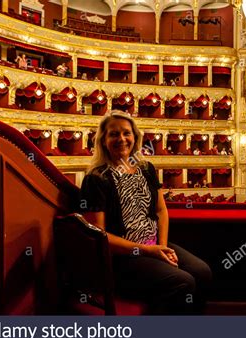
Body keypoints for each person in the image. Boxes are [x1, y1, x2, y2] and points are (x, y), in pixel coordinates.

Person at [80, 111, 211, 314]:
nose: (121, 139)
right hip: (123, 258)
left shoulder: (146, 168)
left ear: (135, 137)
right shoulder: (97, 179)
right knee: (182, 281)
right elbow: (98, 234)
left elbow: (161, 210)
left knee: (202, 272)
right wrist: (146, 250)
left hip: (154, 246)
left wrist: (162, 247)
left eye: (126, 133)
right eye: (114, 134)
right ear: (103, 140)